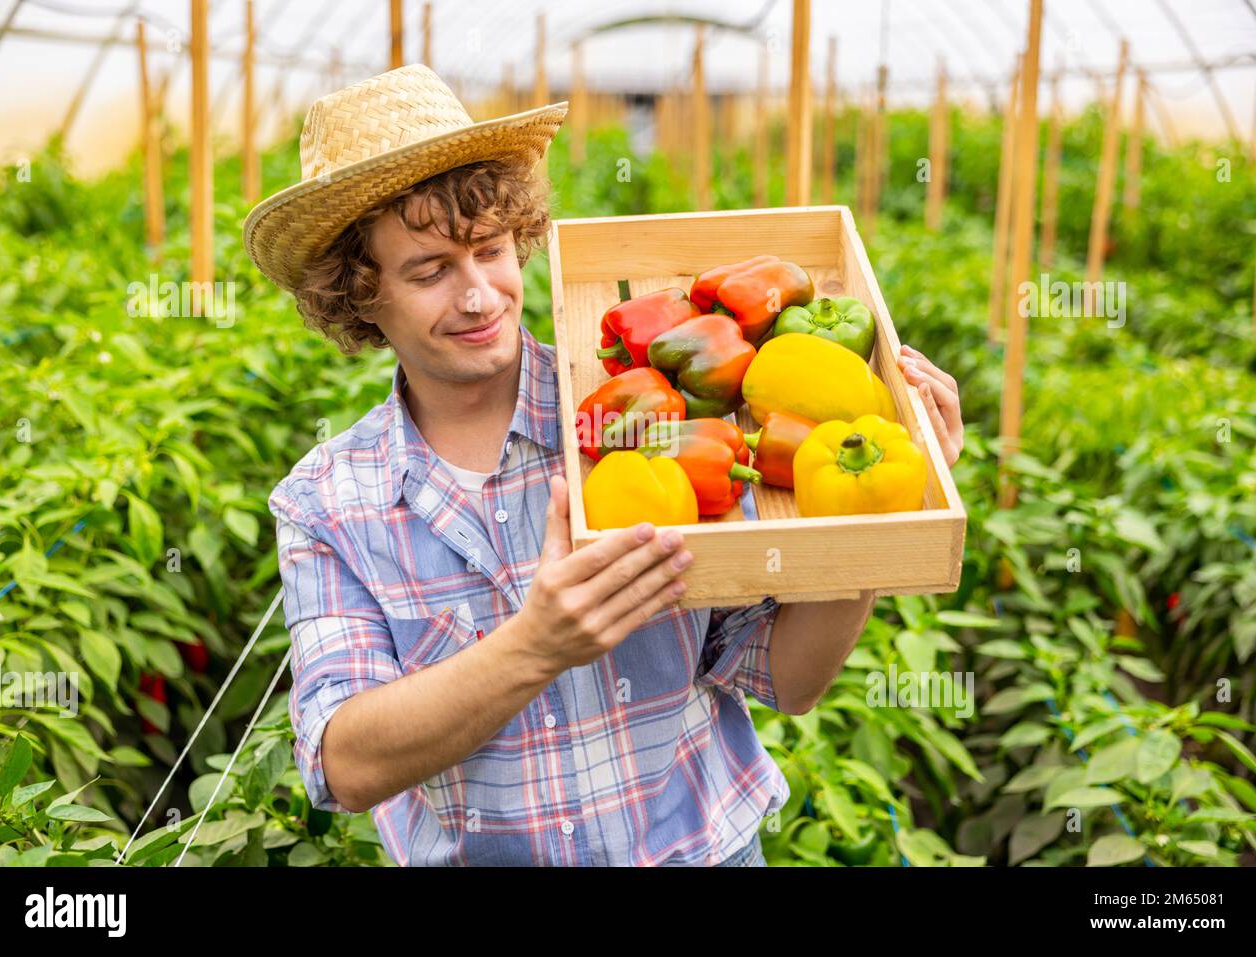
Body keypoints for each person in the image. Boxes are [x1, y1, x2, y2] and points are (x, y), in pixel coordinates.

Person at [244, 64, 965, 867]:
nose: (480, 294)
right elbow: (342, 763)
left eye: (489, 250)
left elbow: (789, 680)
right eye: (430, 271)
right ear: (360, 294)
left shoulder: (640, 408)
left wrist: (887, 509)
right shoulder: (328, 502)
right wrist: (535, 645)